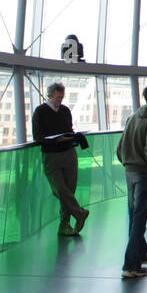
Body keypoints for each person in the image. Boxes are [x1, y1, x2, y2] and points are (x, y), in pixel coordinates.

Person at [117, 84, 147, 278]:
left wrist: (127, 163)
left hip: (130, 170)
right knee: (140, 217)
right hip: (144, 172)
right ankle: (130, 266)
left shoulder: (133, 117)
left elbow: (120, 147)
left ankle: (139, 253)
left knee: (134, 214)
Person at [32, 82, 89, 236]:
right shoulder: (40, 112)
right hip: (52, 155)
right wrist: (57, 140)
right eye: (58, 97)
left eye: (62, 97)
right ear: (50, 96)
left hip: (69, 153)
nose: (60, 100)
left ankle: (65, 225)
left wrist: (71, 137)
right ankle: (79, 213)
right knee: (60, 189)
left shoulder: (65, 110)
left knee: (69, 190)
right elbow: (38, 137)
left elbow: (69, 129)